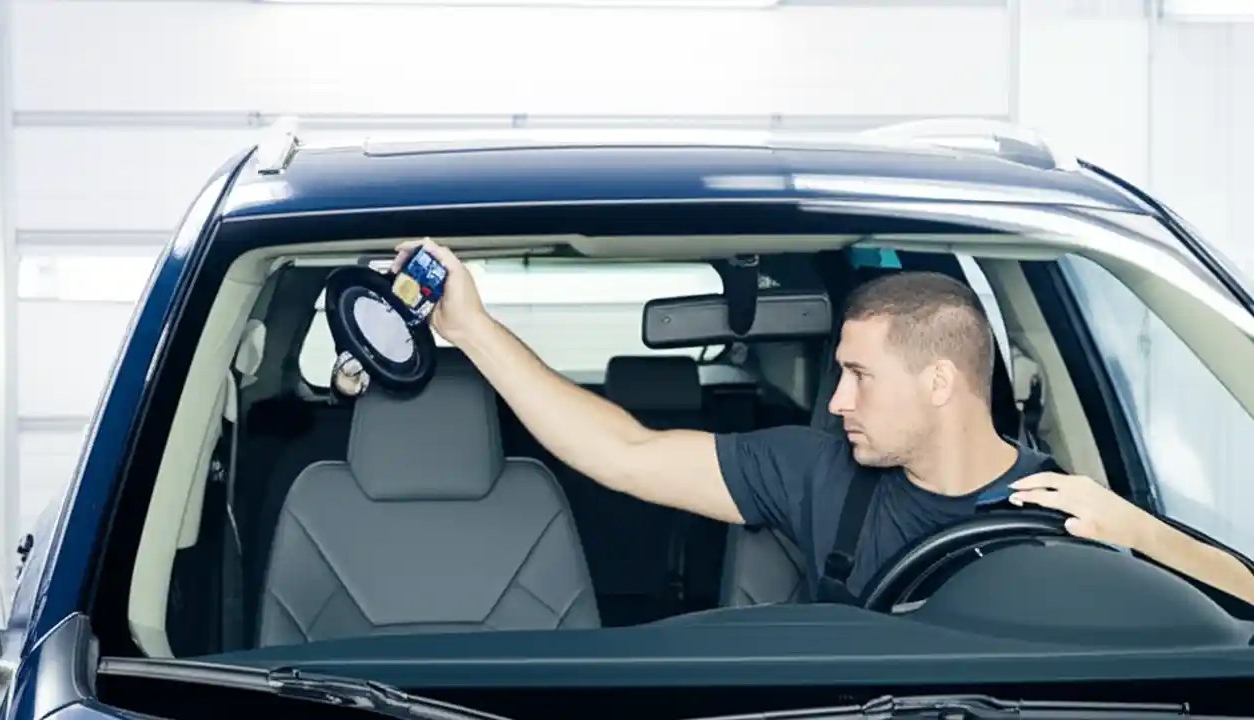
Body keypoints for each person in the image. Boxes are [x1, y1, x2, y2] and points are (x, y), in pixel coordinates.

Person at [391, 239, 1254, 607]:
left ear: (943, 381)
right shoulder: (816, 470)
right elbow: (625, 453)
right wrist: (470, 326)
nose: (835, 401)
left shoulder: (1075, 514)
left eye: (858, 376)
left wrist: (1141, 534)